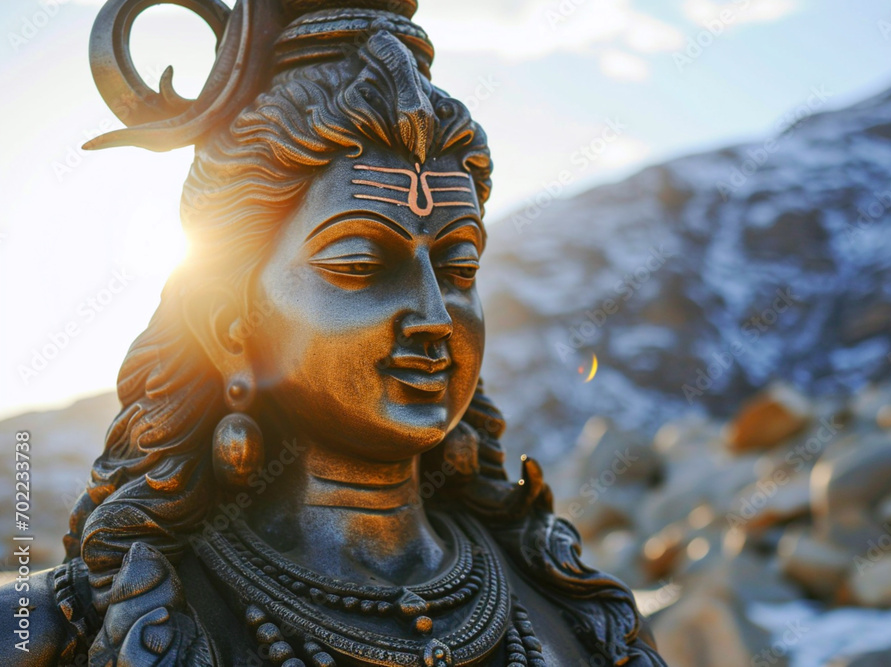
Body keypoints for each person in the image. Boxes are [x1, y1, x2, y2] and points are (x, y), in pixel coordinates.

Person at [0, 1, 664, 664]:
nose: (434, 315)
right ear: (228, 322)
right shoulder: (53, 632)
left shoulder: (581, 609)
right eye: (361, 263)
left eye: (459, 266)